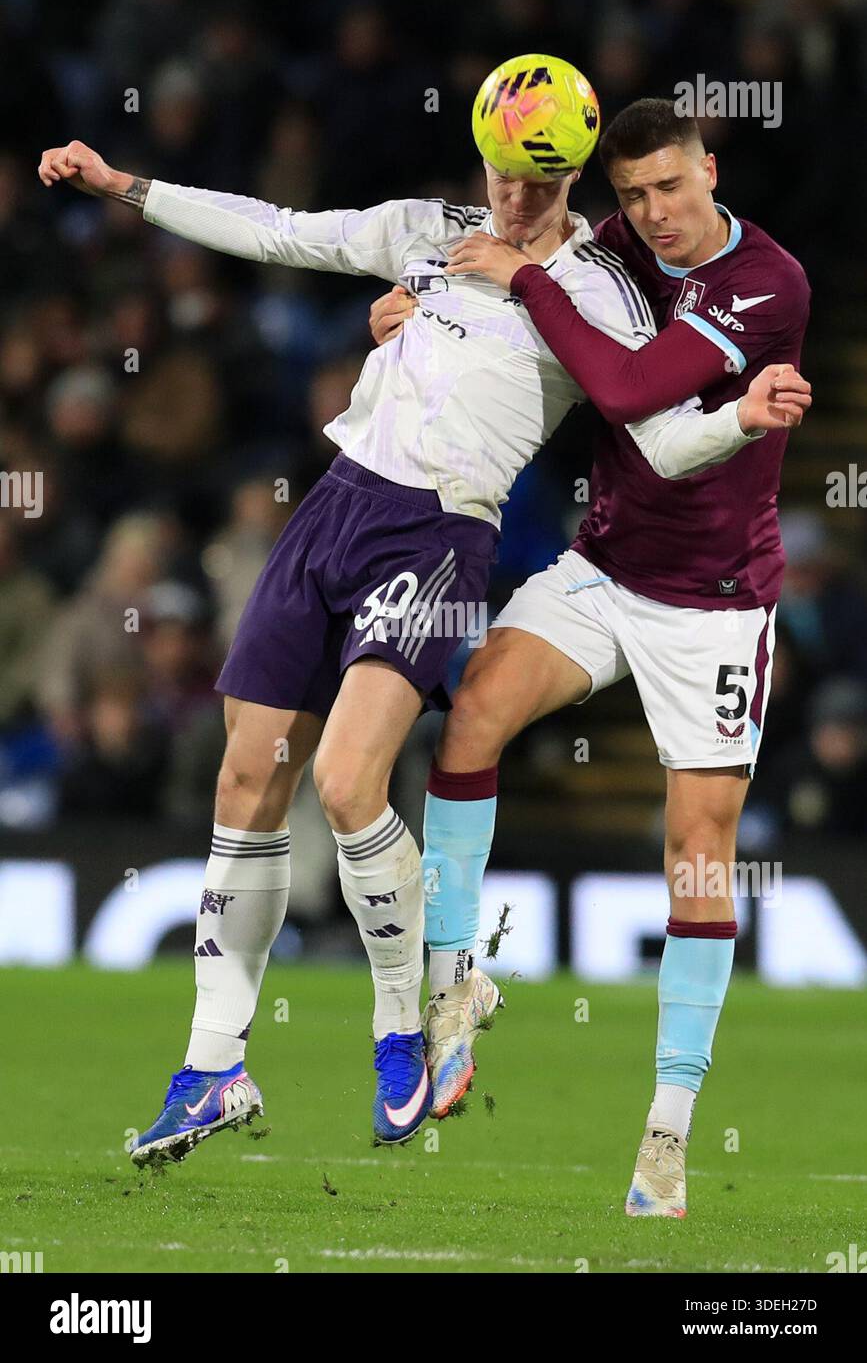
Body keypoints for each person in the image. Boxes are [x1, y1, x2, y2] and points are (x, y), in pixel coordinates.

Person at [37, 73, 809, 1167]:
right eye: (501, 173)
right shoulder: (425, 231)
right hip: (334, 505)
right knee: (246, 775)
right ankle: (213, 1069)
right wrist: (128, 187)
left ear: (571, 177)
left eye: (538, 180)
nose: (515, 197)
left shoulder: (599, 290)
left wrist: (739, 417)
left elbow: (655, 429)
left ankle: (405, 1028)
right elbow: (280, 230)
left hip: (442, 532)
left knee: (350, 781)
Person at [369, 98, 811, 1217]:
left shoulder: (768, 282)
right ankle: (454, 985)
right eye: (632, 195)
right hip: (605, 568)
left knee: (698, 856)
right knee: (473, 710)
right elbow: (498, 287)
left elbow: (623, 390)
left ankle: (666, 1132)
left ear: (711, 171)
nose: (653, 213)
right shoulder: (609, 249)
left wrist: (524, 282)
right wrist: (411, 311)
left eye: (671, 186)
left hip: (715, 605)